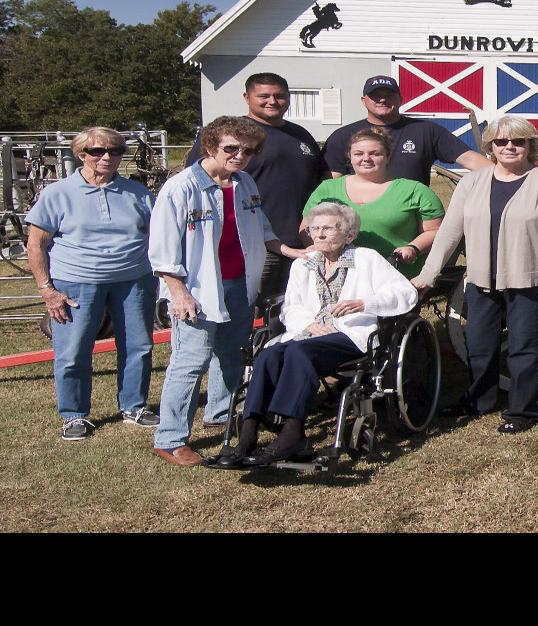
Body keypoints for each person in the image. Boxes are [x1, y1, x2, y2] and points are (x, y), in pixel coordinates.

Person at [209, 202, 419, 469]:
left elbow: (405, 293)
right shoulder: (304, 264)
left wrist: (365, 303)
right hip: (308, 332)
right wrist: (308, 325)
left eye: (327, 229)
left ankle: (292, 434)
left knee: (298, 353)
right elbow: (291, 307)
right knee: (268, 355)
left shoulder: (367, 258)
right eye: (314, 228)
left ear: (348, 235)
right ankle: (247, 436)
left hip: (349, 334)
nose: (318, 234)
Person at [150, 116, 310, 467]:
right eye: (231, 148)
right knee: (190, 361)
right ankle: (170, 438)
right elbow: (161, 251)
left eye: (248, 151)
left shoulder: (244, 183)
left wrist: (294, 252)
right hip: (197, 289)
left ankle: (220, 415)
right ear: (210, 147)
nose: (240, 156)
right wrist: (178, 293)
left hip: (240, 284)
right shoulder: (181, 188)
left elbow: (263, 229)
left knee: (233, 354)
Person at [412, 115, 538, 434]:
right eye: (501, 142)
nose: (510, 147)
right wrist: (428, 274)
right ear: (490, 147)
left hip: (528, 280)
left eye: (518, 141)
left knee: (523, 346)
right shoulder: (473, 182)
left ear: (531, 145)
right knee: (479, 344)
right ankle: (479, 400)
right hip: (481, 280)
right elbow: (449, 232)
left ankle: (522, 409)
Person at [25, 127, 159, 441]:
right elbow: (36, 245)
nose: (107, 157)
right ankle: (74, 415)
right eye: (97, 151)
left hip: (133, 281)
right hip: (75, 283)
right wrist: (47, 290)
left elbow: (160, 234)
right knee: (72, 351)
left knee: (138, 346)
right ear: (81, 154)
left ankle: (134, 406)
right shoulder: (58, 193)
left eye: (115, 151)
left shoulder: (138, 193)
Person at [186, 72, 327, 308]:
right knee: (251, 309)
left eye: (280, 96)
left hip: (301, 243)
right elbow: (199, 181)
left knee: (295, 308)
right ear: (246, 97)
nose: (272, 101)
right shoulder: (232, 136)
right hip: (253, 243)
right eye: (264, 96)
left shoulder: (300, 135)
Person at [303, 126, 443, 278]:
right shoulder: (327, 188)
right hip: (339, 276)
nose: (366, 159)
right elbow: (306, 226)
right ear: (349, 156)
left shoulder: (415, 190)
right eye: (358, 153)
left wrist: (414, 248)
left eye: (375, 154)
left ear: (388, 156)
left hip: (396, 276)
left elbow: (436, 230)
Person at [321, 75, 490, 184]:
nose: (382, 99)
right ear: (363, 100)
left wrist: (510, 177)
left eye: (389, 95)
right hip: (360, 220)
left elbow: (469, 159)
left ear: (400, 99)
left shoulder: (425, 131)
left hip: (412, 220)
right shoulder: (343, 136)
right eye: (375, 95)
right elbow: (330, 183)